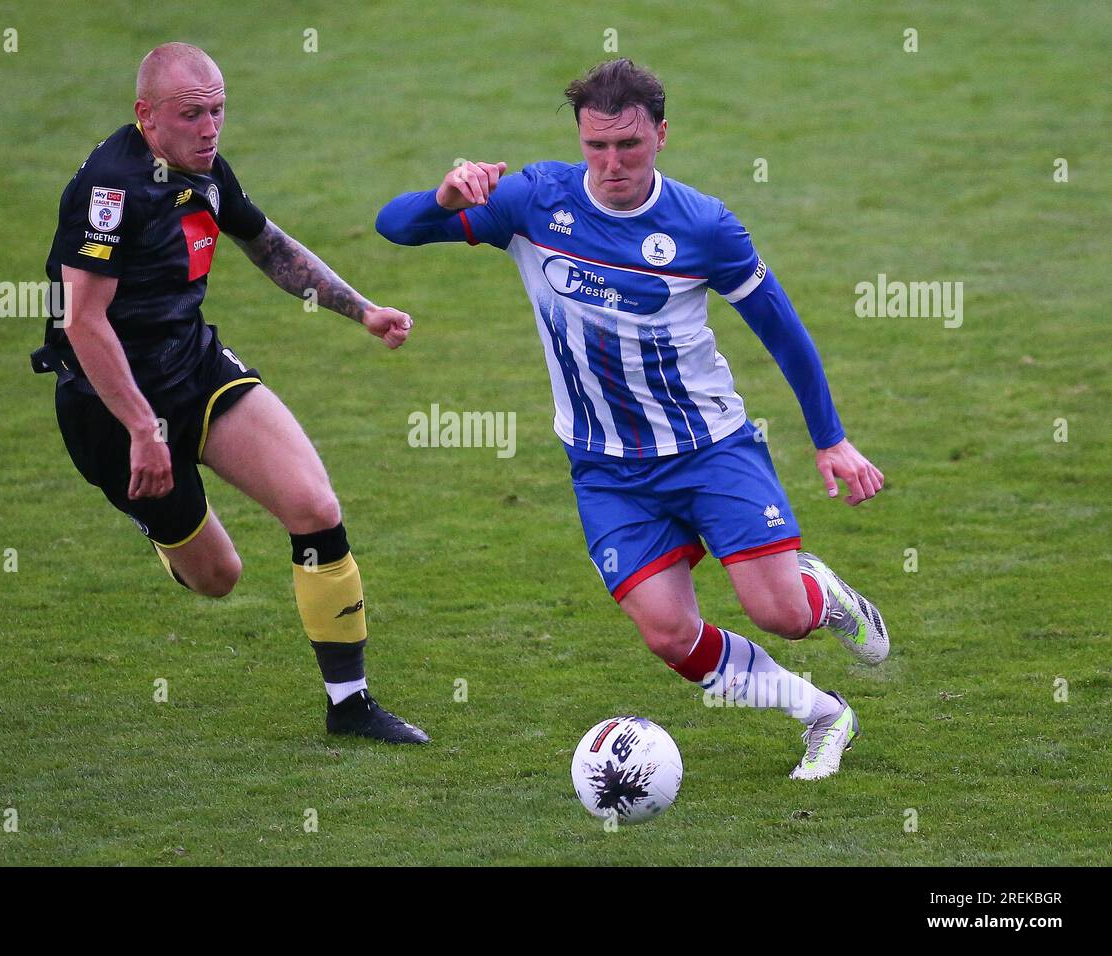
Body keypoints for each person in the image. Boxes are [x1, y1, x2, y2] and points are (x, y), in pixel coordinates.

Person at [376, 58, 889, 778]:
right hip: (606, 467)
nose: (612, 164)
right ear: (580, 140)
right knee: (669, 633)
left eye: (630, 147)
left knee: (783, 616)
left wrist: (830, 439)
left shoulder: (704, 226)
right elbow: (393, 226)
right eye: (597, 147)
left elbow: (784, 331)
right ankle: (823, 716)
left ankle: (822, 594)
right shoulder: (532, 199)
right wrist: (443, 197)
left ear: (662, 136)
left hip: (709, 449)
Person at [33, 42, 426, 743]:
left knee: (314, 505)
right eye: (192, 114)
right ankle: (155, 520)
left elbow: (266, 243)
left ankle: (351, 706)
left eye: (218, 110)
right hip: (109, 406)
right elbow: (83, 321)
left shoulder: (202, 169)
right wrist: (144, 432)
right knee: (218, 577)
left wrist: (360, 309)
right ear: (146, 116)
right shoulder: (111, 193)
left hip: (194, 367)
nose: (210, 128)